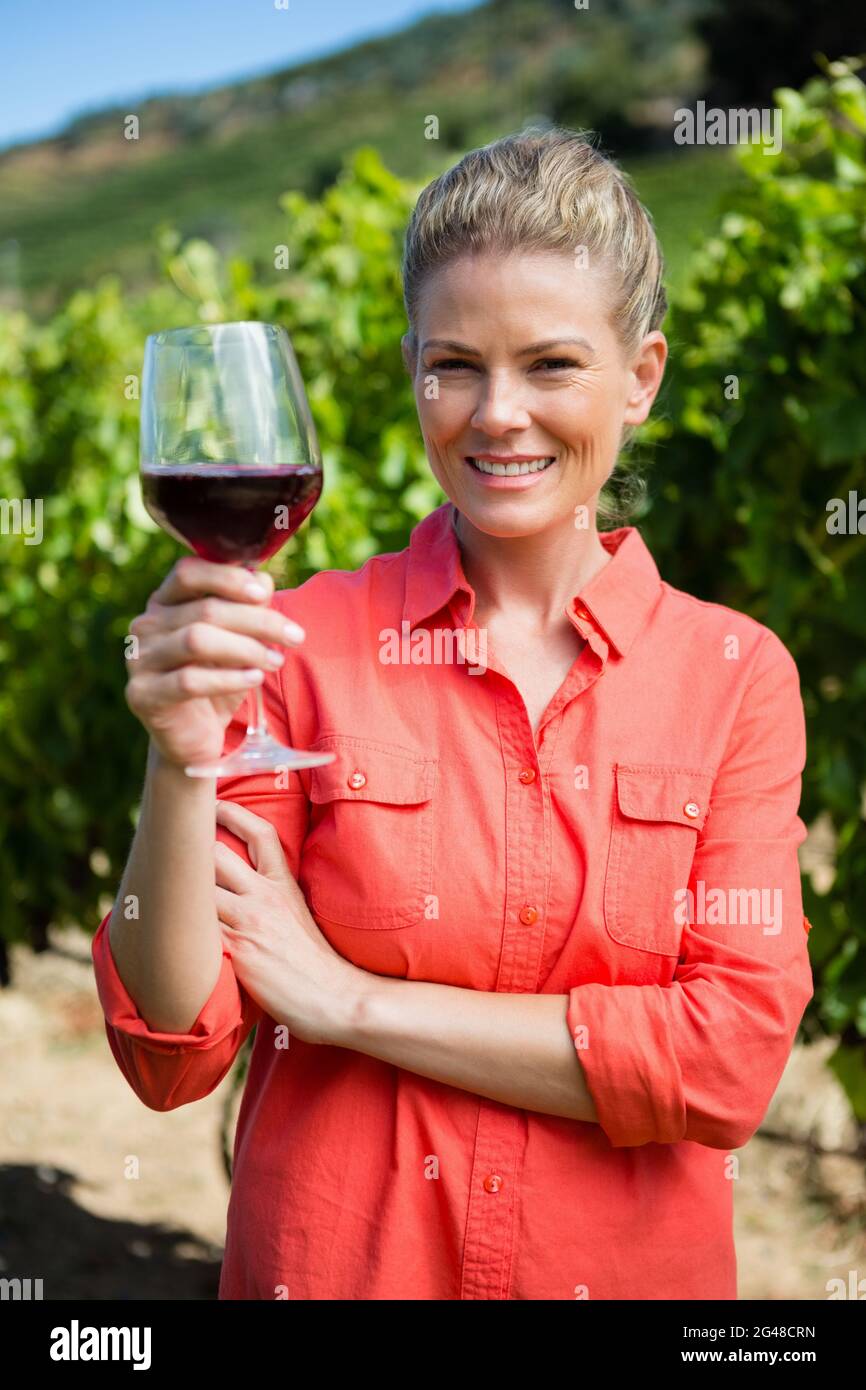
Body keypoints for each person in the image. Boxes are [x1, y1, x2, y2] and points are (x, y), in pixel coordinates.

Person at [92, 127, 813, 1300]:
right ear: (413, 370)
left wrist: (350, 1001)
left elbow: (723, 1063)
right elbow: (173, 1049)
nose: (497, 414)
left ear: (641, 377)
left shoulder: (733, 674)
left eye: (551, 365)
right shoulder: (299, 642)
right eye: (456, 365)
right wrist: (178, 765)